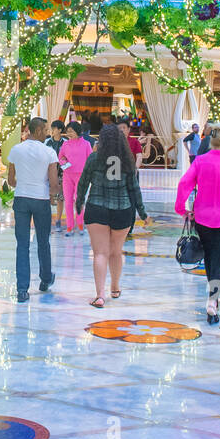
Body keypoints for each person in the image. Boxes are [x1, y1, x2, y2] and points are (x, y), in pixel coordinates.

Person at [174, 124, 220, 324]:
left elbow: (184, 184)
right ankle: (213, 299)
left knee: (209, 257)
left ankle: (213, 297)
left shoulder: (199, 161)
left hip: (202, 219)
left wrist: (181, 208)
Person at [76, 124, 151, 308]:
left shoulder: (94, 159)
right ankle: (115, 288)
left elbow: (83, 182)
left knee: (100, 253)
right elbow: (134, 189)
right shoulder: (127, 161)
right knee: (116, 251)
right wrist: (142, 213)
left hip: (97, 208)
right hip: (122, 209)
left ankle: (100, 295)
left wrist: (79, 203)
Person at [6, 116, 59, 303]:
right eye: (45, 130)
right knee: (43, 241)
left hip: (21, 198)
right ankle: (45, 279)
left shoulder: (15, 150)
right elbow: (53, 183)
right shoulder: (49, 152)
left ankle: (22, 290)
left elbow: (10, 180)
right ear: (37, 131)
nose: (47, 133)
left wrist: (24, 184)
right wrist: (53, 193)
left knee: (22, 244)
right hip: (41, 199)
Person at [58, 122, 92, 235]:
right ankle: (69, 226)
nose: (69, 133)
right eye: (67, 131)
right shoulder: (65, 144)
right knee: (68, 201)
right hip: (67, 176)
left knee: (79, 201)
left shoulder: (86, 144)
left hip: (81, 176)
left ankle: (80, 224)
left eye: (71, 131)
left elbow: (90, 160)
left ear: (78, 131)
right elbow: (60, 157)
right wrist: (63, 162)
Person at [46, 120, 66, 229]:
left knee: (60, 197)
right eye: (51, 128)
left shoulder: (66, 142)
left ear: (60, 130)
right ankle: (47, 220)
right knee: (48, 196)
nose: (52, 131)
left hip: (61, 173)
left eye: (54, 128)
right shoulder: (47, 142)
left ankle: (58, 220)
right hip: (48, 173)